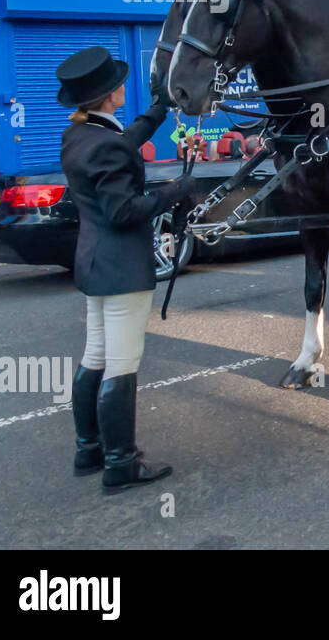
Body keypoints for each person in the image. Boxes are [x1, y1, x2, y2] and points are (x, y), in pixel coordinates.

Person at [56, 47, 194, 493]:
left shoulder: (80, 136)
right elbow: (123, 210)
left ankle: (88, 448)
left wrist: (159, 109)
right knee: (120, 363)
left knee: (95, 355)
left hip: (95, 263)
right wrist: (175, 191)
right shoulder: (104, 146)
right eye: (119, 84)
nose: (122, 87)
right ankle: (121, 462)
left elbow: (123, 142)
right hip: (122, 267)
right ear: (110, 93)